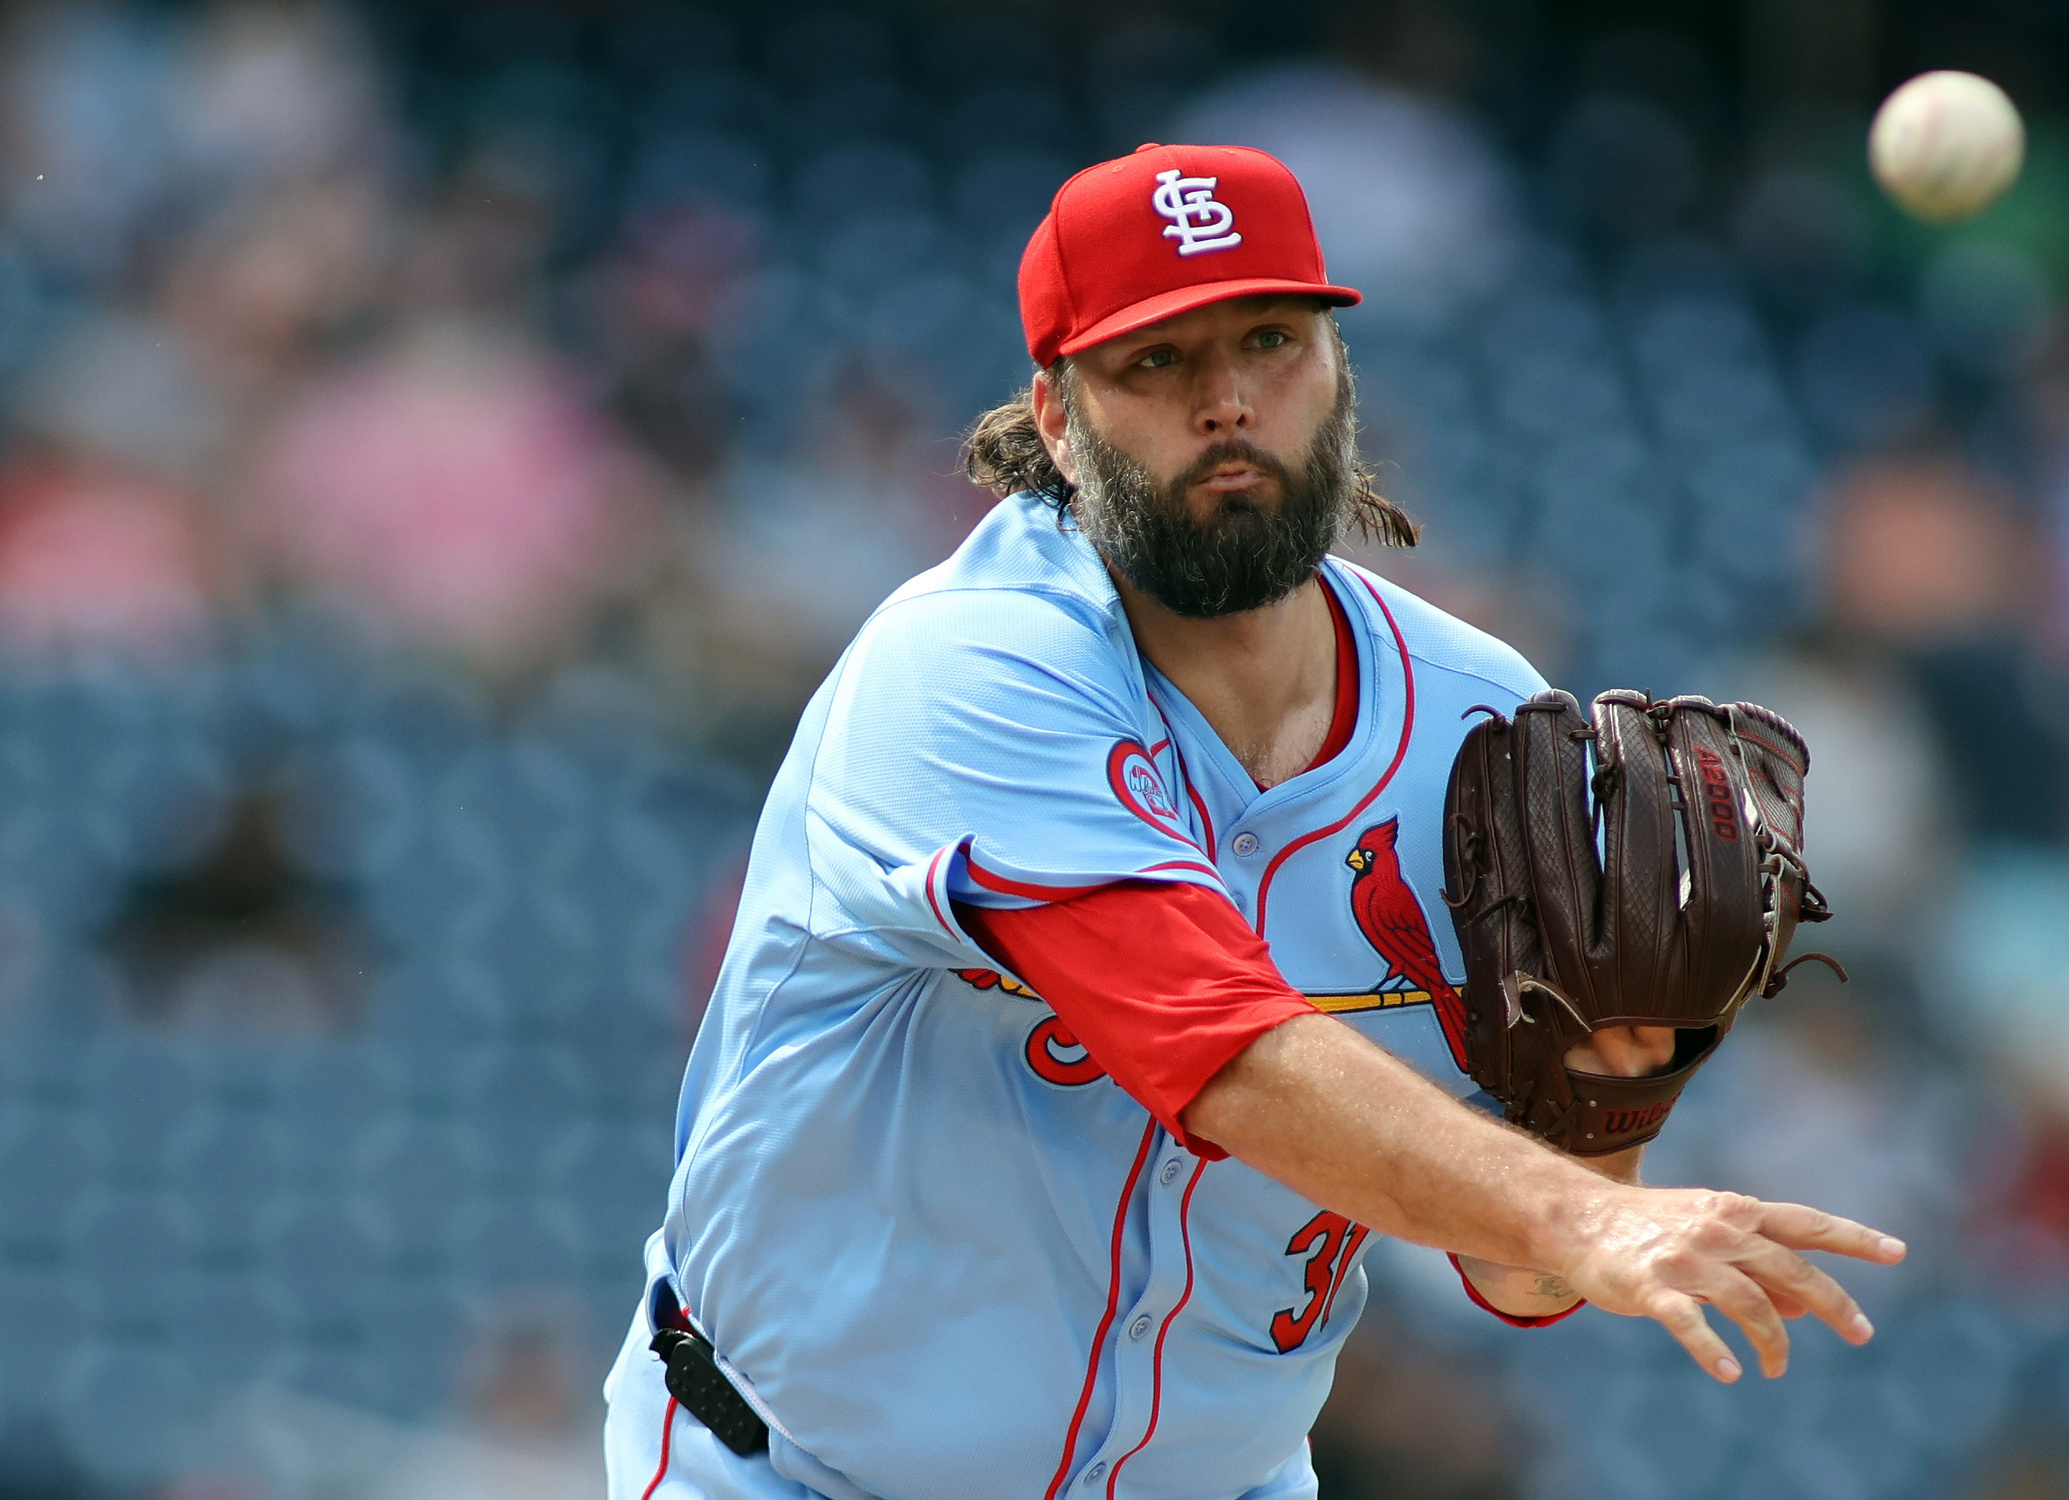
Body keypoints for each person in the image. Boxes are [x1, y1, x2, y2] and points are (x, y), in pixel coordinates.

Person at [604, 143, 1904, 1500]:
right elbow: (1212, 1044)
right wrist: (1585, 1216)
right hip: (800, 1475)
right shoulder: (967, 666)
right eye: (1155, 363)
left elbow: (1513, 1278)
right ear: (1055, 415)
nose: (1227, 403)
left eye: (1271, 341)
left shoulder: (1481, 729)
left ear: (1339, 372)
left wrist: (1615, 1093)